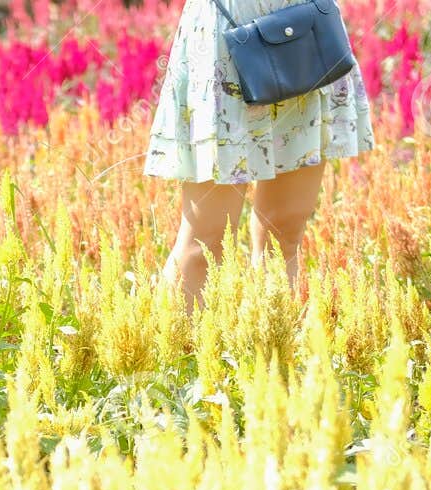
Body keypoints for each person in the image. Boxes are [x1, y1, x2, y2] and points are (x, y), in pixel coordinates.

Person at [145, 0, 374, 305]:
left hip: (306, 33)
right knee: (205, 240)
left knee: (285, 235)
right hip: (227, 37)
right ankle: (174, 349)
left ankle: (272, 345)